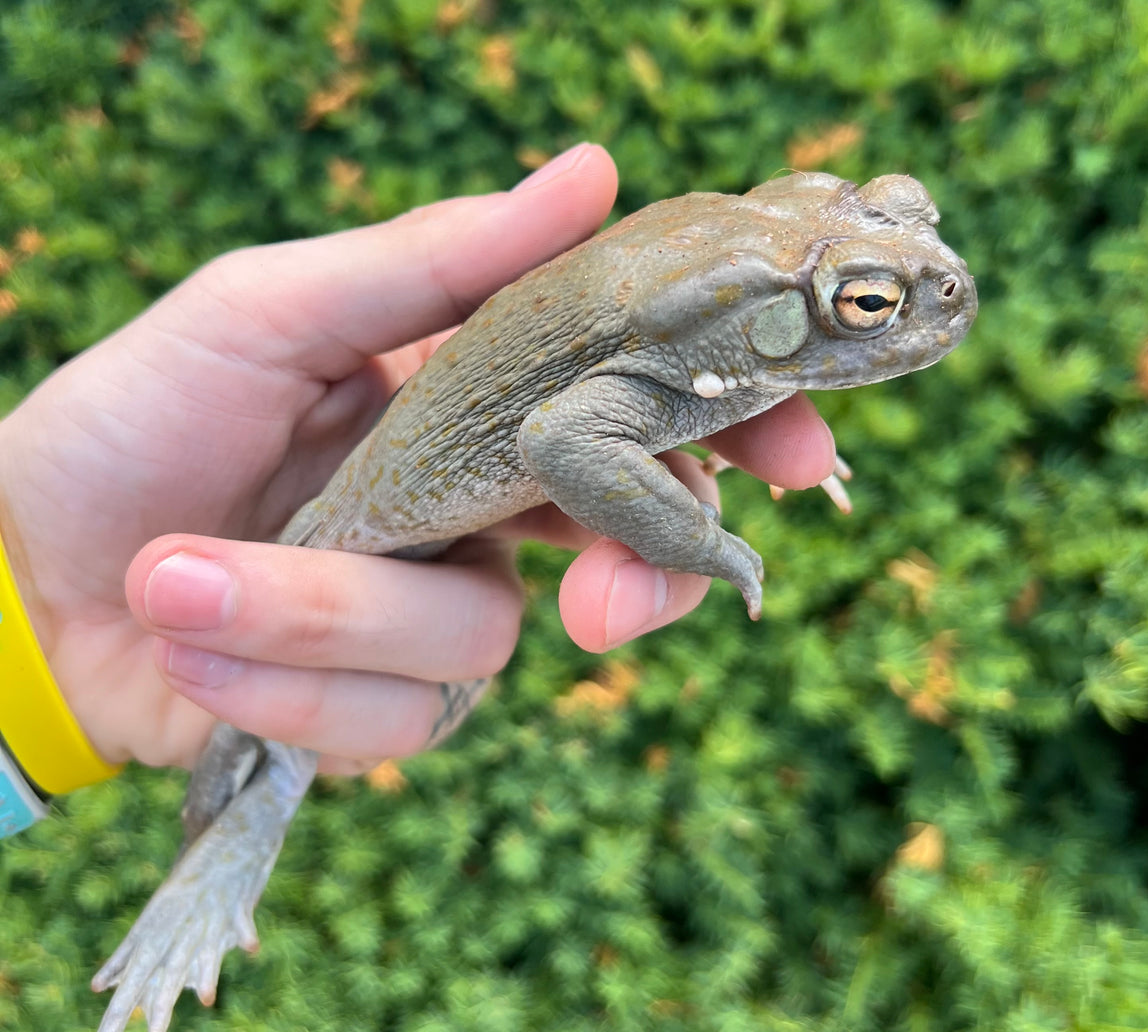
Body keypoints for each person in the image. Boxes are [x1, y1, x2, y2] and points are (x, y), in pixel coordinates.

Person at [0, 143, 836, 792]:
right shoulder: (708, 327)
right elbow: (564, 442)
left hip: (401, 492)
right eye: (867, 305)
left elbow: (624, 407)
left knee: (288, 683)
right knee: (268, 719)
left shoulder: (719, 330)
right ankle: (219, 861)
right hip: (362, 507)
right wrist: (699, 540)